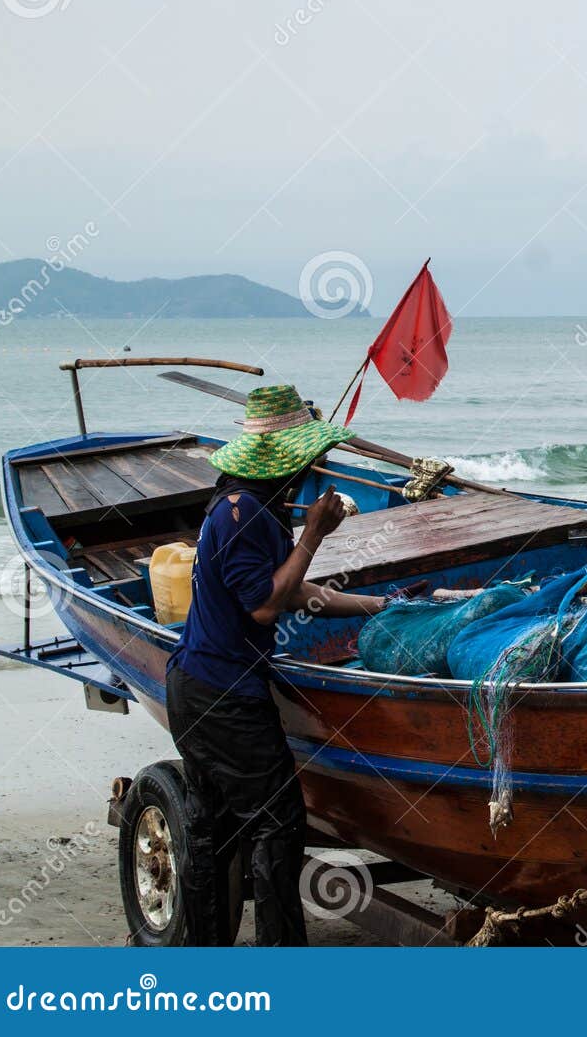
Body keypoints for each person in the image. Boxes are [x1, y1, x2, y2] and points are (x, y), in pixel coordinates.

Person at [165, 384, 399, 946]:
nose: (318, 466)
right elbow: (267, 606)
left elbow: (290, 591)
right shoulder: (243, 514)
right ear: (288, 458)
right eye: (312, 456)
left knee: (215, 829)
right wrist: (316, 533)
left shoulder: (253, 506)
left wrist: (380, 606)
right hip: (221, 697)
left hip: (201, 687)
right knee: (278, 824)